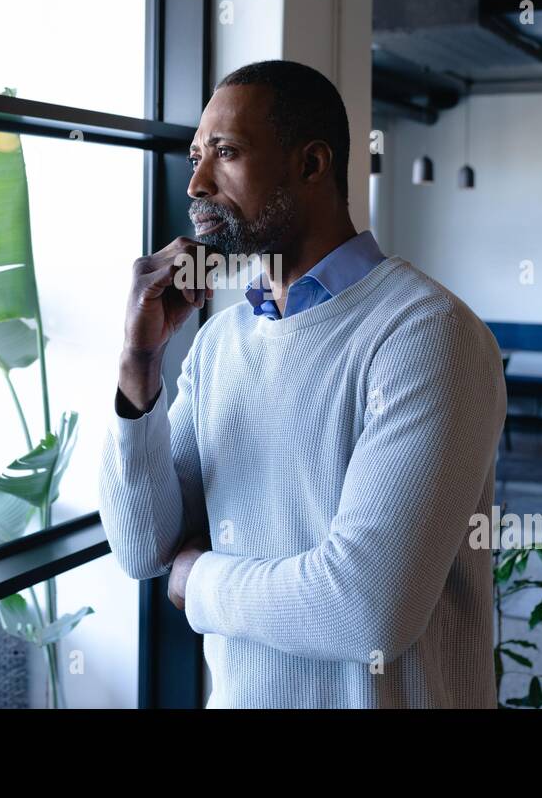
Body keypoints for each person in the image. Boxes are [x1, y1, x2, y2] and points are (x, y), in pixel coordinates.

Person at [98, 59, 506, 708]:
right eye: (196, 155)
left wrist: (197, 580)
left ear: (312, 166)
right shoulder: (219, 343)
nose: (197, 182)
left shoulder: (427, 334)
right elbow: (143, 545)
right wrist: (139, 363)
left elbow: (366, 609)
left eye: (226, 153)